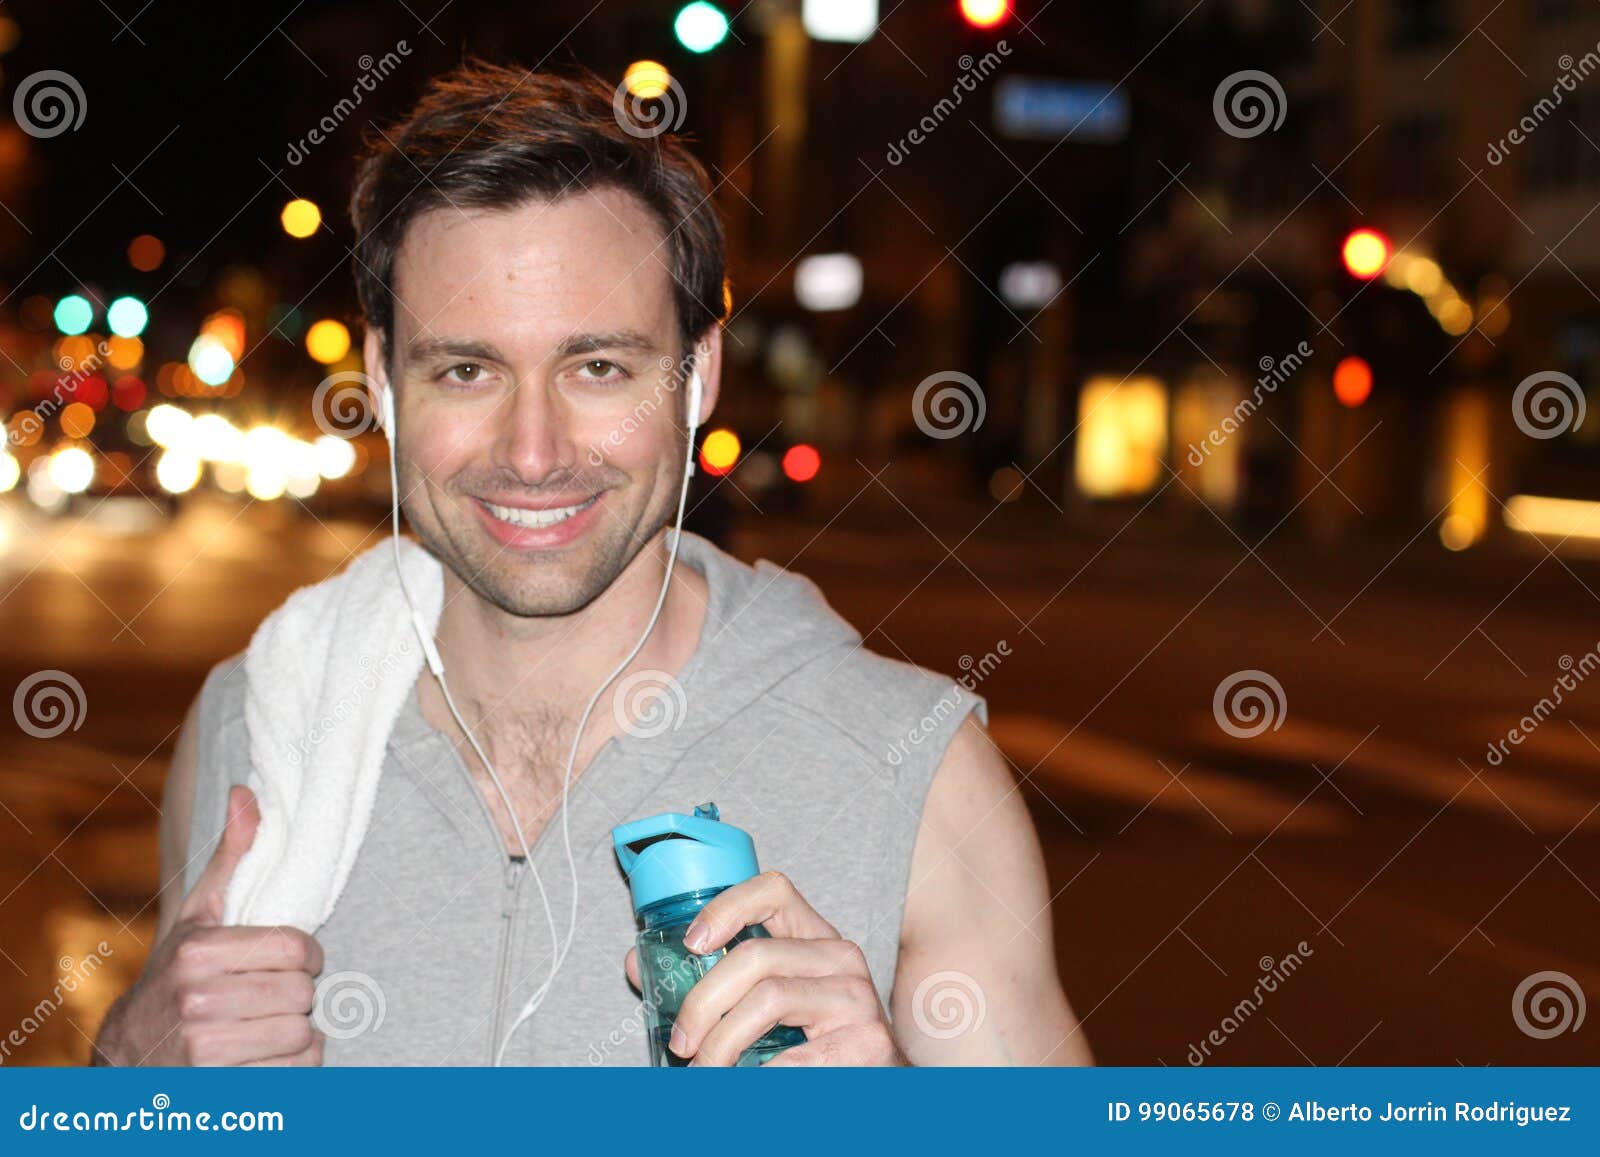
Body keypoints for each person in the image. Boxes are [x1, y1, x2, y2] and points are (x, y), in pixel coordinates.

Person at [93, 60, 1089, 1068]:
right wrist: (129, 1066)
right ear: (384, 381)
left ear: (697, 374)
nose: (533, 452)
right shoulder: (257, 726)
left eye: (599, 366)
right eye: (467, 369)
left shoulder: (914, 777)